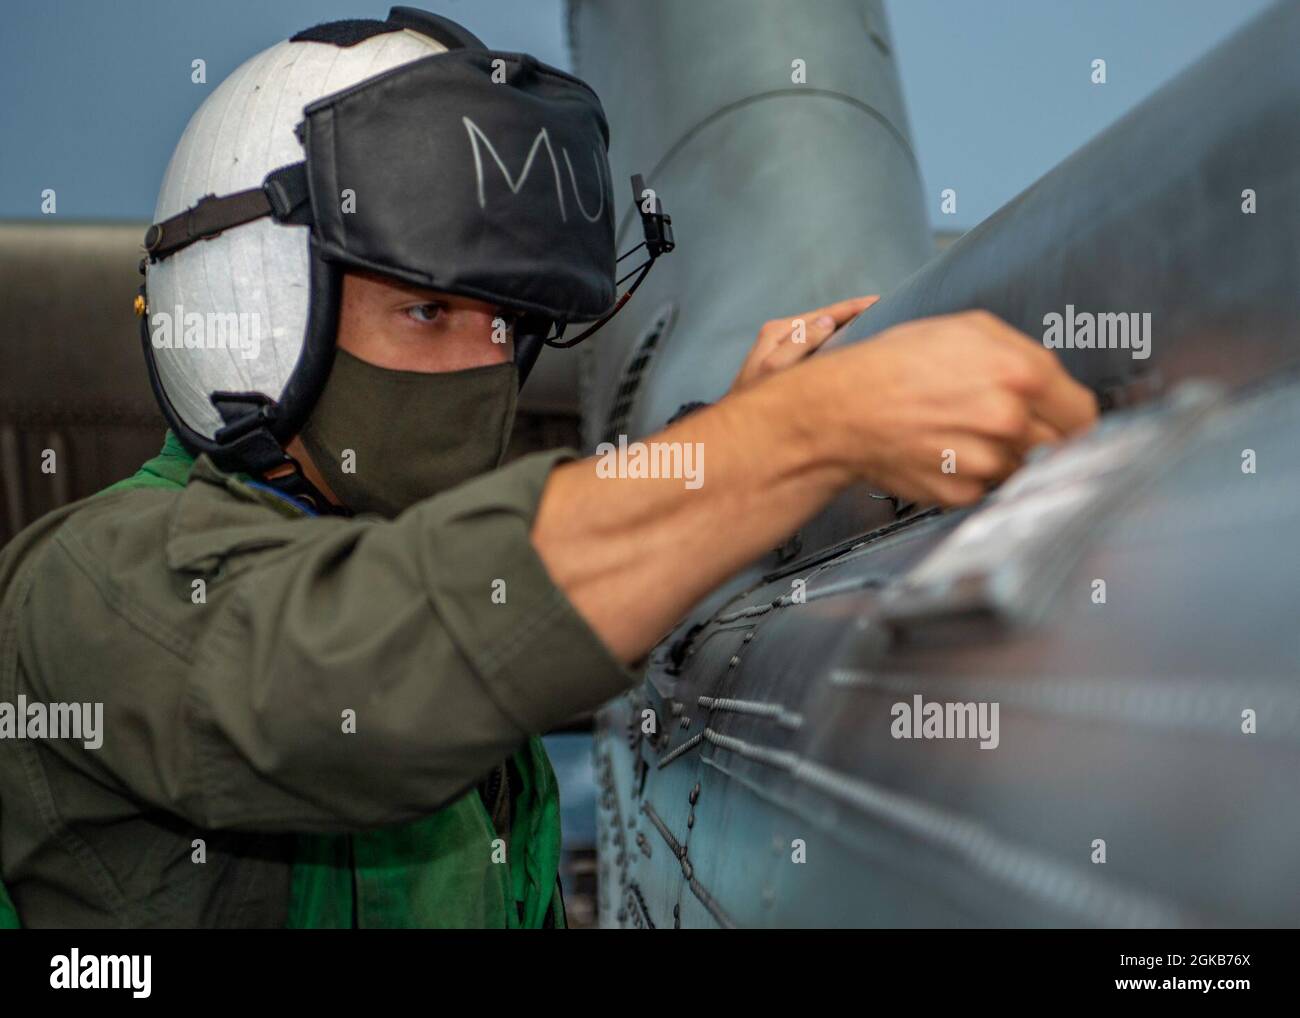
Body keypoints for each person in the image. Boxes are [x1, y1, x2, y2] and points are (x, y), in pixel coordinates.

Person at [0, 8, 1096, 928]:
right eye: (427, 308)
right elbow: (356, 666)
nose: (487, 364)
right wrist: (800, 434)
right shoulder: (90, 588)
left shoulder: (469, 648)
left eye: (510, 323)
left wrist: (738, 440)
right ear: (253, 313)